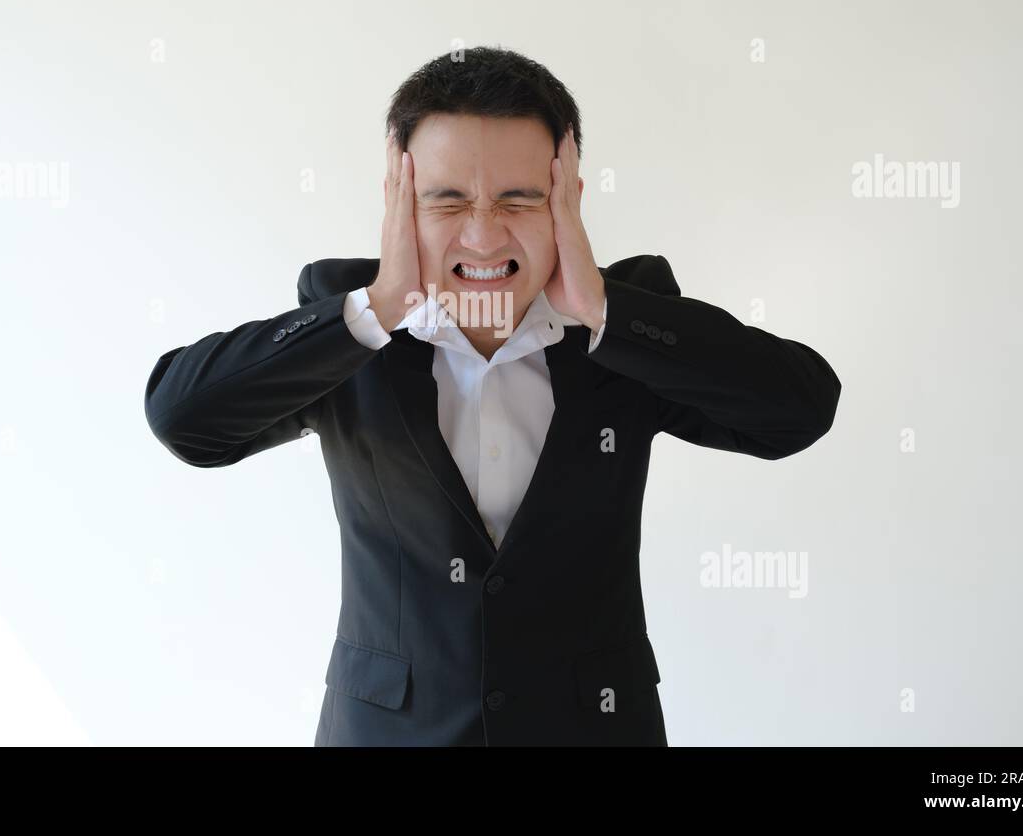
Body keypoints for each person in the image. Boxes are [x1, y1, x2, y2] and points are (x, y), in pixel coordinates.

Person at [143, 46, 841, 745]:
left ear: (566, 198)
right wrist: (376, 309)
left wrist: (604, 311)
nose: (482, 235)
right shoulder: (350, 330)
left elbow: (798, 411)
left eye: (519, 198)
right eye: (446, 199)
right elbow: (185, 420)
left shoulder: (625, 329)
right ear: (399, 203)